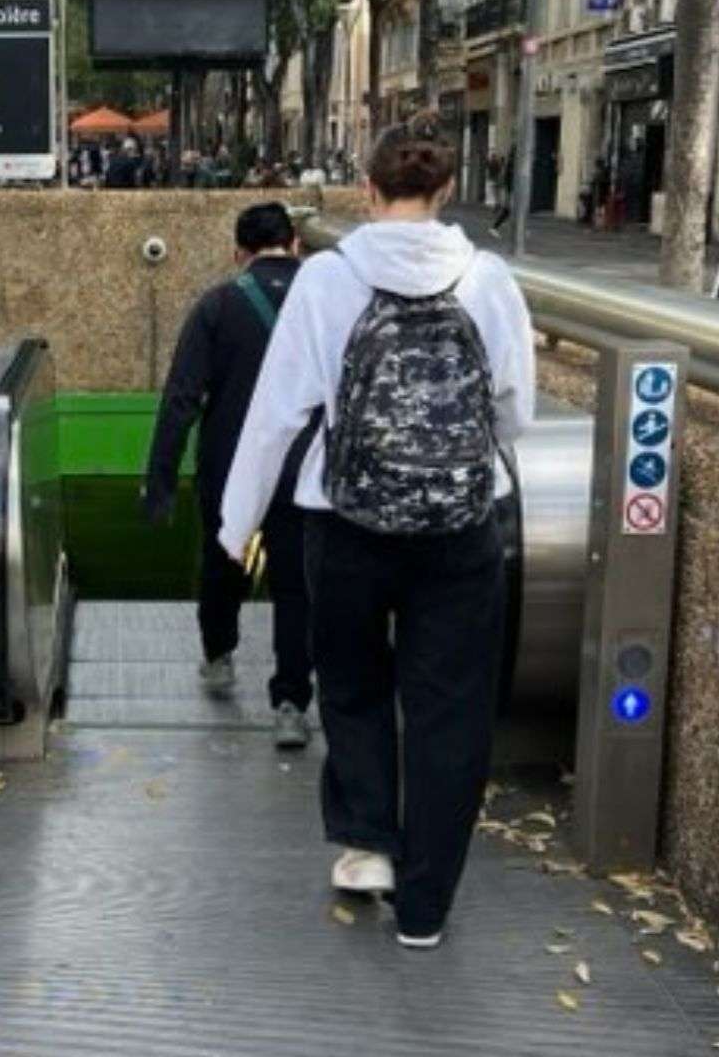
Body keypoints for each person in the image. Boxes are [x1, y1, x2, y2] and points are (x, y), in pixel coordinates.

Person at [218, 119, 534, 948]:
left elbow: (275, 415)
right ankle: (425, 910)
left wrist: (235, 523)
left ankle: (368, 840)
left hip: (344, 521)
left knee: (353, 683)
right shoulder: (488, 279)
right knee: (450, 711)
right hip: (462, 529)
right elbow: (516, 412)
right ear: (446, 192)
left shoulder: (327, 279)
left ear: (367, 190)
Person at [143, 202, 316, 748]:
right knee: (296, 585)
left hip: (231, 463)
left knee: (224, 560)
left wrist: (161, 479)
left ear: (239, 252)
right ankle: (290, 702)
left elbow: (181, 399)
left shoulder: (218, 305)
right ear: (294, 245)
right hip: (304, 465)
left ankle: (218, 655)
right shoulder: (325, 302)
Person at [488, 144, 516, 236]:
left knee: (510, 210)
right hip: (511, 189)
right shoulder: (512, 165)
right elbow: (508, 178)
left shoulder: (509, 163)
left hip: (510, 189)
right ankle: (495, 227)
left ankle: (517, 229)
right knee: (508, 210)